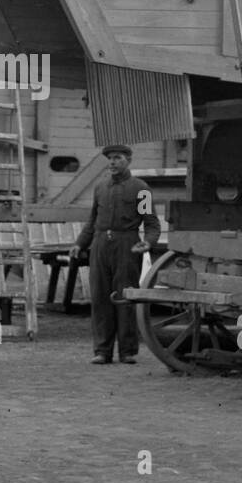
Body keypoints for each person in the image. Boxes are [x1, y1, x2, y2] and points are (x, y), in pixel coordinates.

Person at [75, 144, 161, 364]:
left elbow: (151, 223)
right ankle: (102, 351)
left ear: (128, 161)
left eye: (118, 158)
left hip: (127, 244)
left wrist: (148, 242)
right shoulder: (100, 187)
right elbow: (92, 221)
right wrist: (80, 243)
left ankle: (128, 351)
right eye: (110, 158)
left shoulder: (141, 189)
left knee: (125, 297)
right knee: (100, 297)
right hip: (100, 244)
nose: (112, 162)